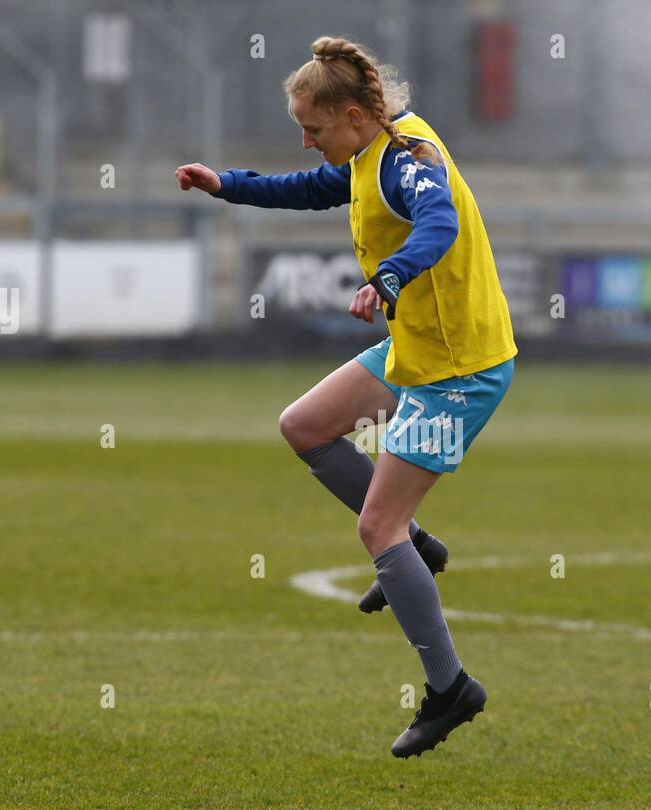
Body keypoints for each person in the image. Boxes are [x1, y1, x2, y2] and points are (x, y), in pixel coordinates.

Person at [177, 35, 517, 758]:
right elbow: (307, 189)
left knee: (376, 530)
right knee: (304, 425)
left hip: (460, 370)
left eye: (315, 128)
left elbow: (439, 223)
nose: (306, 142)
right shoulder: (368, 154)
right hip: (418, 349)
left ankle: (451, 687)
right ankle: (417, 550)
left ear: (358, 114)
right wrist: (224, 183)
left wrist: (388, 277)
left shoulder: (409, 160)